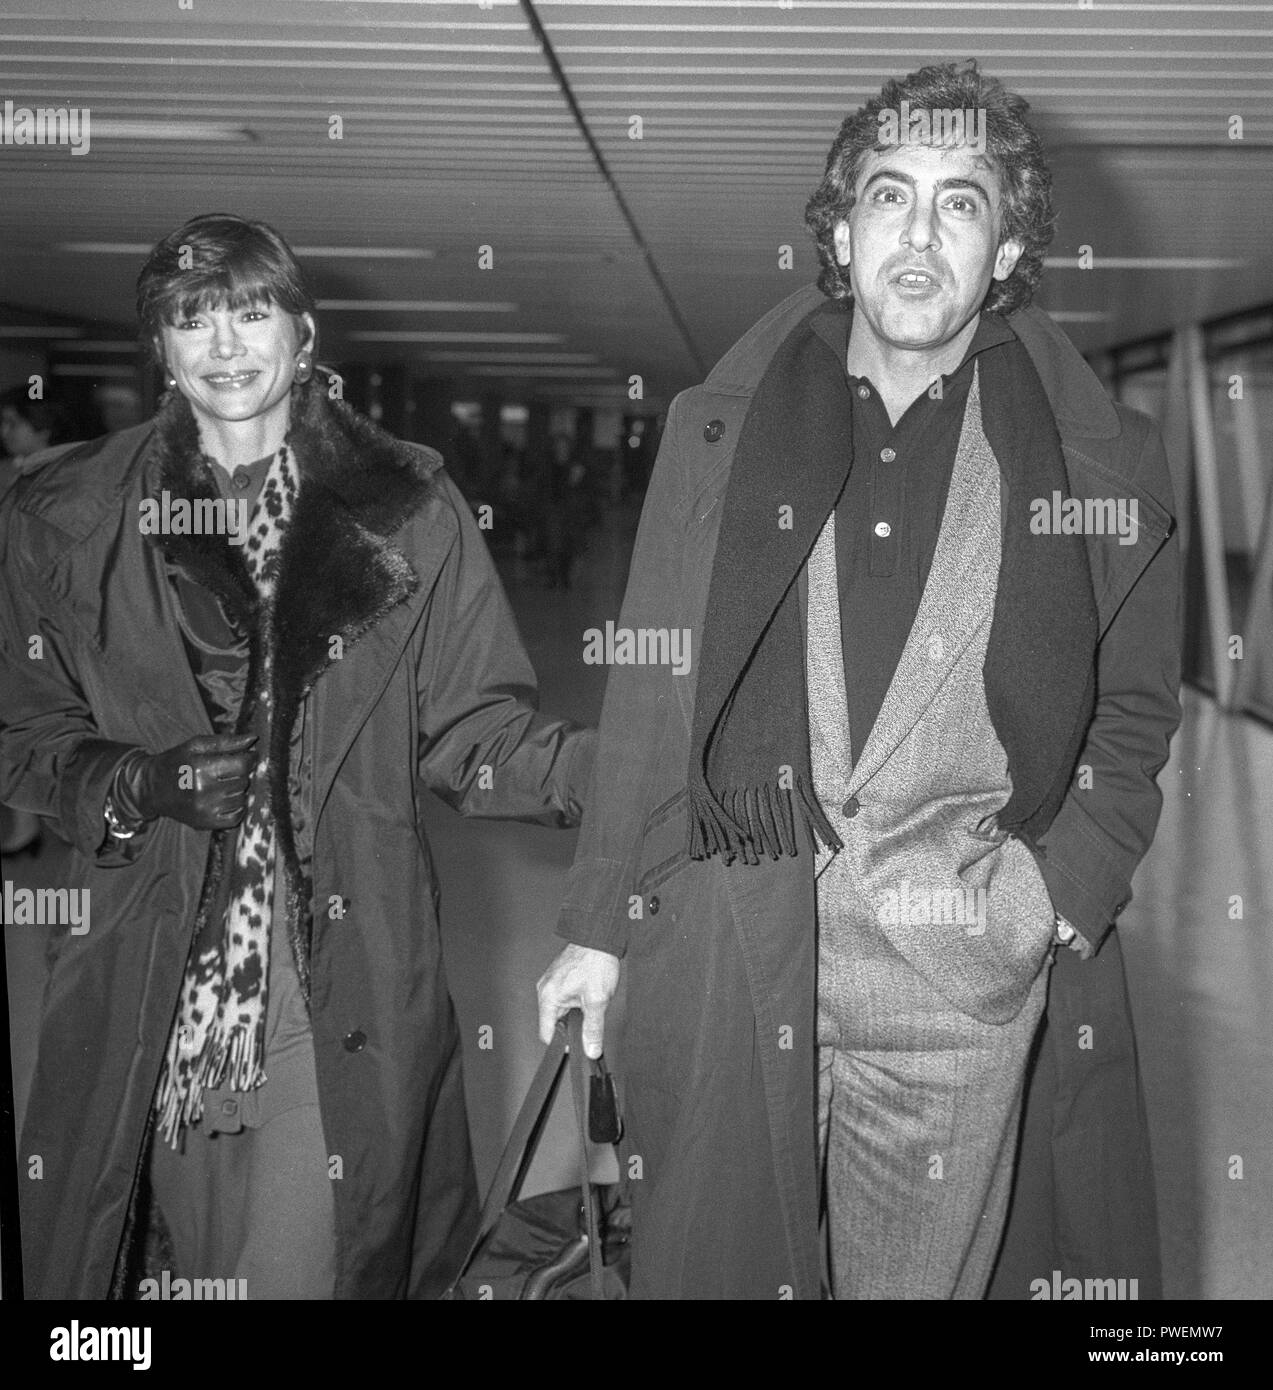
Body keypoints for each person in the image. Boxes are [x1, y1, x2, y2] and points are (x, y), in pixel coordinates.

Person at [538, 60, 1181, 1299]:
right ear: (841, 230)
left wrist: (1044, 904)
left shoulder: (1101, 457)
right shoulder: (717, 431)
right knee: (718, 1269)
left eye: (961, 203)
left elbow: (1134, 713)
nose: (920, 232)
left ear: (1004, 252)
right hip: (742, 937)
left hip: (961, 975)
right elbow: (657, 691)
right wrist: (596, 929)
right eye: (890, 195)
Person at [0, 212, 594, 1299]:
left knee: (303, 1256)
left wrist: (632, 772)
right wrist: (136, 780)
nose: (224, 342)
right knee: (164, 1270)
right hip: (145, 987)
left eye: (250, 309)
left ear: (303, 333)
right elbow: (25, 737)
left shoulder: (404, 512)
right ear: (163, 350)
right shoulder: (67, 518)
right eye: (192, 317)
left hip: (334, 982)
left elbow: (474, 734)